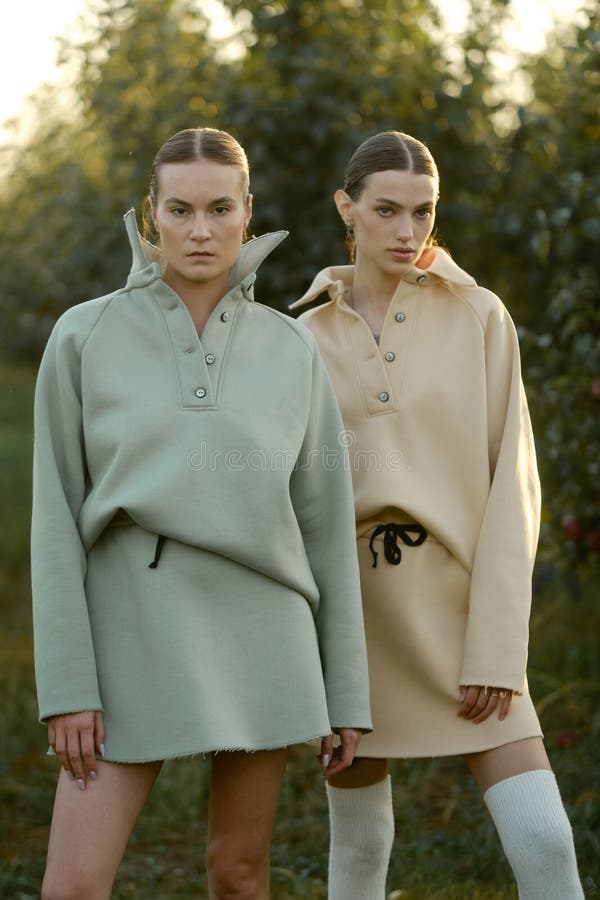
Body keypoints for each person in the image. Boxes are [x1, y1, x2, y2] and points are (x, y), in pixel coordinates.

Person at [31, 126, 372, 900]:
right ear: (151, 213)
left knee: (240, 873)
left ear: (248, 212)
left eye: (220, 208)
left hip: (265, 631)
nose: (200, 229)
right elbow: (53, 521)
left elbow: (323, 525)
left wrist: (345, 690)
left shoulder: (292, 349)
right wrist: (67, 685)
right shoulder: (82, 336)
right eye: (179, 209)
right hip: (130, 627)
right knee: (72, 887)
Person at [291, 130, 584, 899]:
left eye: (423, 212)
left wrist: (496, 646)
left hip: (461, 616)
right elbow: (291, 500)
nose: (406, 231)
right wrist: (313, 650)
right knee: (358, 847)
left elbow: (514, 487)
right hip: (355, 622)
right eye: (386, 210)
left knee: (545, 841)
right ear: (345, 209)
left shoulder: (482, 316)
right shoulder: (301, 338)